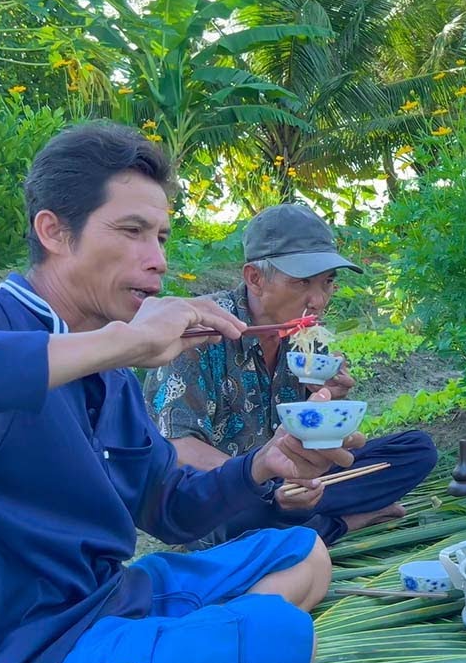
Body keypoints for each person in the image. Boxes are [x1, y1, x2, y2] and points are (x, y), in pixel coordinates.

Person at [0, 121, 361, 663]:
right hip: (15, 661)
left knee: (303, 553)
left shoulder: (114, 380)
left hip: (108, 601)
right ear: (54, 232)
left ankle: (158, 662)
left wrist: (263, 464)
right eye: (132, 232)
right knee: (274, 638)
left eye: (163, 238)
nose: (158, 261)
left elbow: (170, 507)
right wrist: (123, 343)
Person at [144, 203, 436, 549]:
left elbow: (306, 443)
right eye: (302, 283)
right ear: (255, 278)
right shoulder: (200, 333)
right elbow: (177, 448)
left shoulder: (305, 340)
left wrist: (327, 401)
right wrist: (262, 481)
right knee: (247, 515)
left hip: (291, 483)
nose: (318, 300)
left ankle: (304, 525)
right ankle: (341, 524)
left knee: (417, 449)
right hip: (228, 491)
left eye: (327, 283)